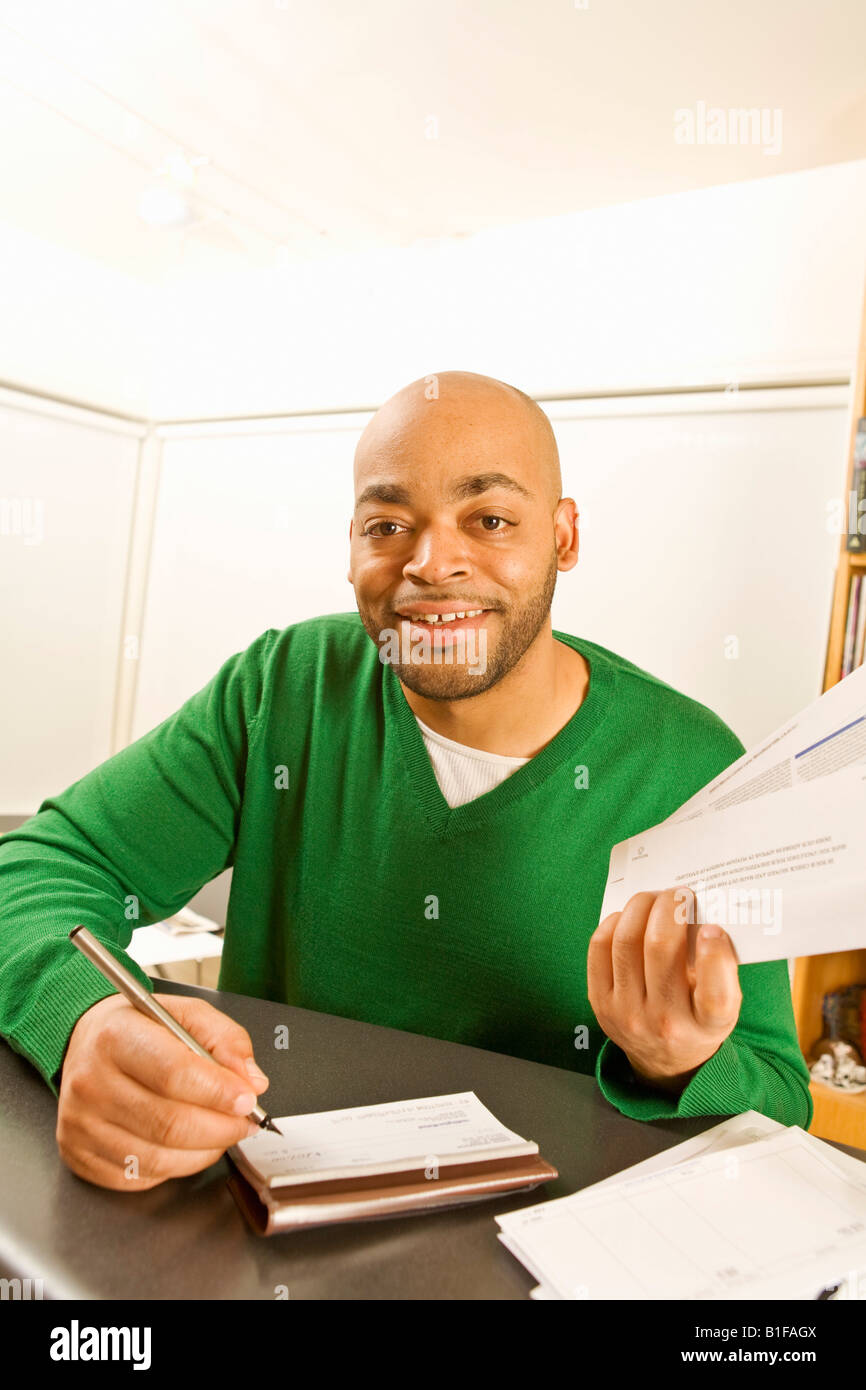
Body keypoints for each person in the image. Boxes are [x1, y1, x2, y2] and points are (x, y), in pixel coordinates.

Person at [0, 370, 812, 1191]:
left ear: (564, 538)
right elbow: (37, 870)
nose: (431, 564)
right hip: (264, 1231)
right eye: (388, 525)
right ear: (350, 544)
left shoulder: (694, 766)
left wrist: (679, 1062)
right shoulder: (284, 686)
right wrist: (85, 1017)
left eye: (489, 519)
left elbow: (781, 1099)